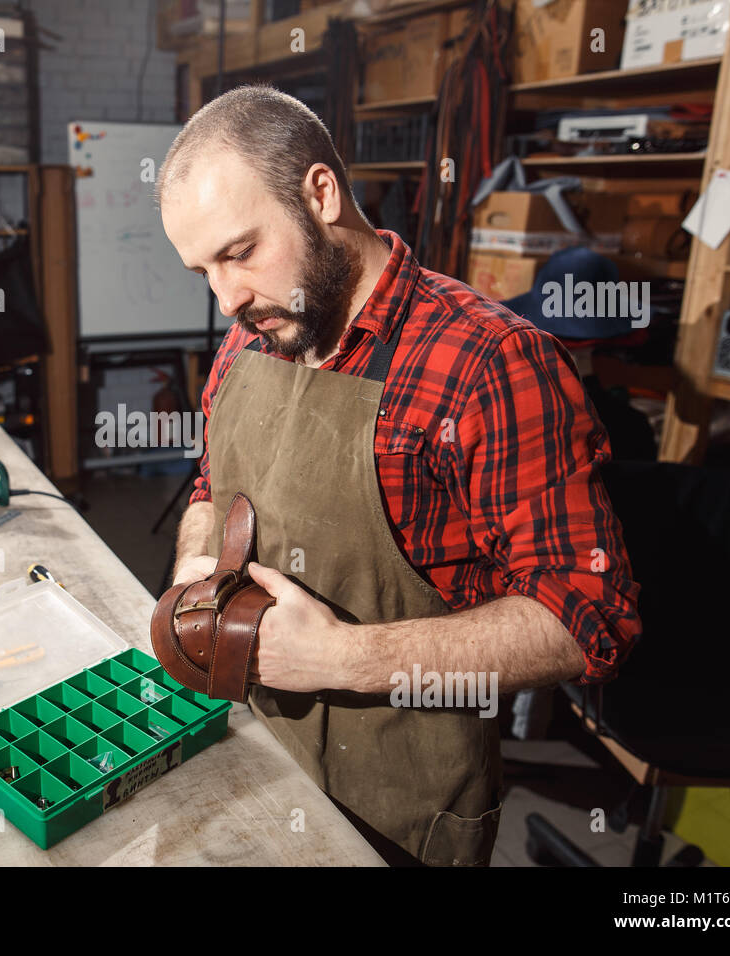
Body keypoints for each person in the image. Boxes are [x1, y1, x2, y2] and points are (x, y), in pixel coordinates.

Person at [156, 86, 641, 866]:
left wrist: (341, 657)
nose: (227, 299)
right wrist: (194, 567)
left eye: (241, 253)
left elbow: (588, 616)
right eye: (203, 270)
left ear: (321, 194)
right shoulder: (248, 342)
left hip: (399, 807)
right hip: (251, 752)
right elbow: (213, 484)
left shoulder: (488, 363)